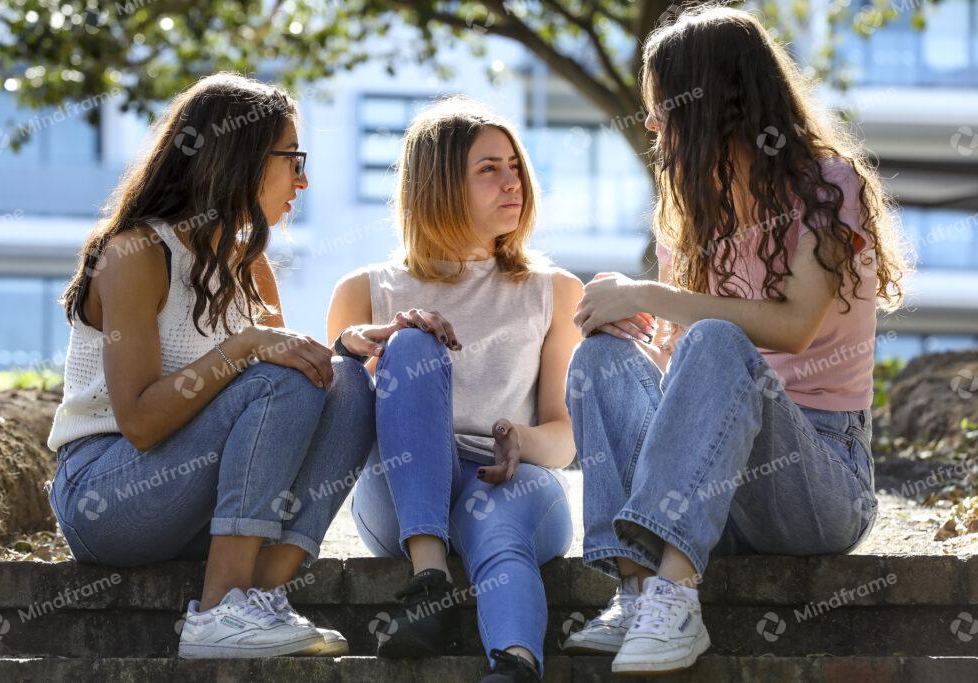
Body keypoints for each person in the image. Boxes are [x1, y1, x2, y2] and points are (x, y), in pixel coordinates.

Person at [561, 5, 912, 675]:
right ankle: (635, 590)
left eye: (664, 105)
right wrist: (632, 321)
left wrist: (651, 295)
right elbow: (683, 363)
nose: (655, 123)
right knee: (602, 356)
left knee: (718, 338)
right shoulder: (690, 207)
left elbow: (789, 327)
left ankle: (676, 595)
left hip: (817, 482)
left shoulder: (830, 188)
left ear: (717, 101)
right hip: (710, 483)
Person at [46, 73, 375, 659]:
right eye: (292, 158)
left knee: (348, 383)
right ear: (238, 159)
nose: (303, 179)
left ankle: (259, 601)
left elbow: (292, 403)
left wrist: (347, 347)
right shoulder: (136, 253)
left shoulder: (253, 268)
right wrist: (245, 347)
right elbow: (141, 424)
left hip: (200, 505)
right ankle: (219, 611)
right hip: (108, 494)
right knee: (278, 375)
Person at [327, 97, 593, 682]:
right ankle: (428, 580)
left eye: (515, 166)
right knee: (415, 341)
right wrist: (357, 342)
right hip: (401, 495)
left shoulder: (555, 290)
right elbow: (341, 415)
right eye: (488, 169)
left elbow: (564, 438)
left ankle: (516, 666)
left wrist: (518, 440)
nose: (512, 182)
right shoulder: (364, 291)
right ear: (440, 185)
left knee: (496, 519)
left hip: (512, 482)